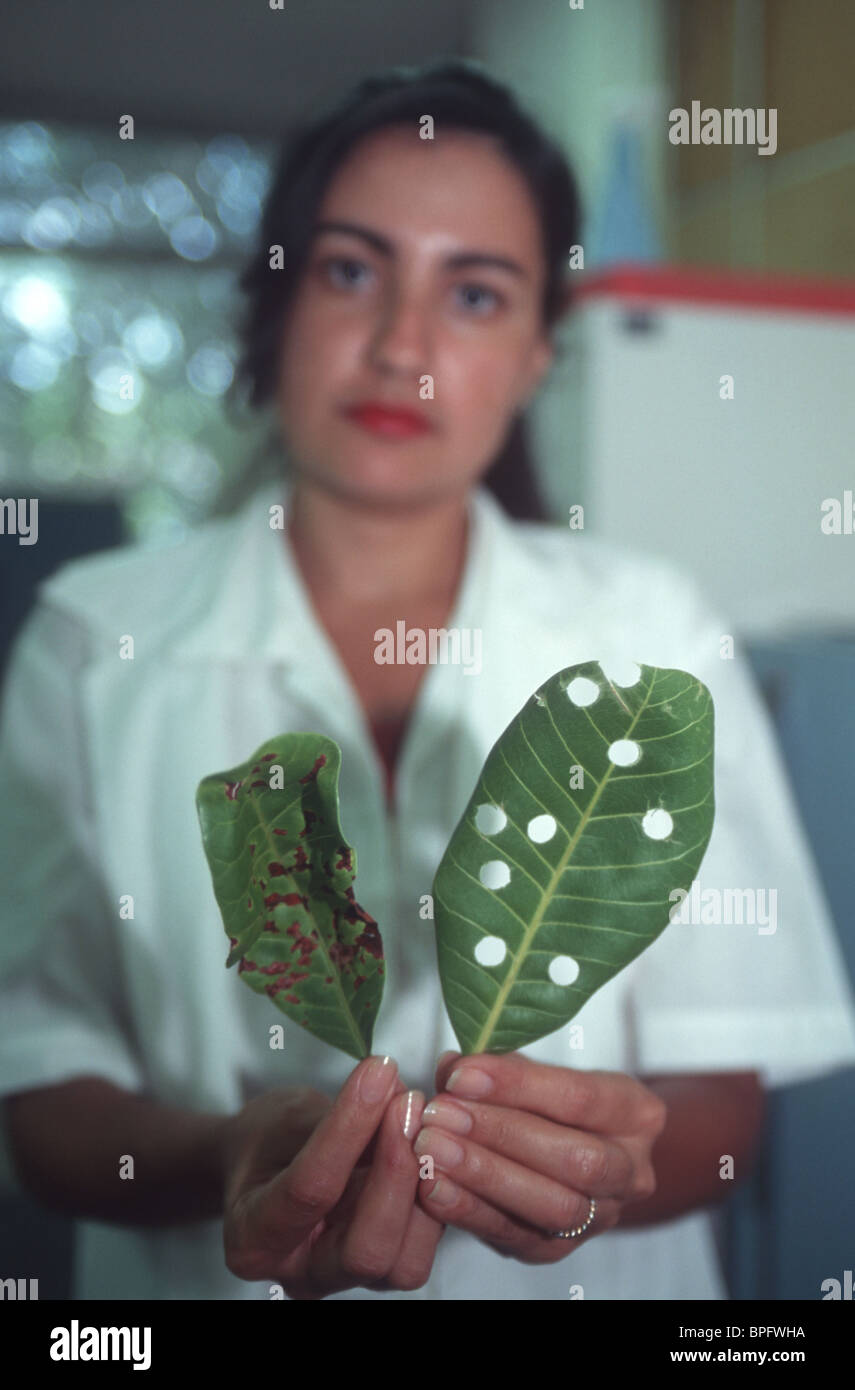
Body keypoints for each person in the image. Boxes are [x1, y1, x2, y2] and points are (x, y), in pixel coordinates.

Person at [1, 59, 855, 1303]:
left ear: (533, 354)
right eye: (352, 270)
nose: (403, 344)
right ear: (274, 303)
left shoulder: (646, 631)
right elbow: (36, 1074)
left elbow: (727, 1103)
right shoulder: (92, 637)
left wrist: (599, 1170)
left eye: (475, 292)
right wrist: (226, 1153)